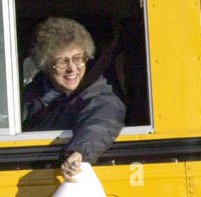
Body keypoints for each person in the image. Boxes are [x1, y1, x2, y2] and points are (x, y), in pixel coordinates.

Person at [21, 17, 126, 177]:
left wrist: (79, 152)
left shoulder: (97, 91)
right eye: (62, 61)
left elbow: (103, 119)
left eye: (78, 59)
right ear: (46, 64)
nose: (72, 68)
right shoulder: (31, 93)